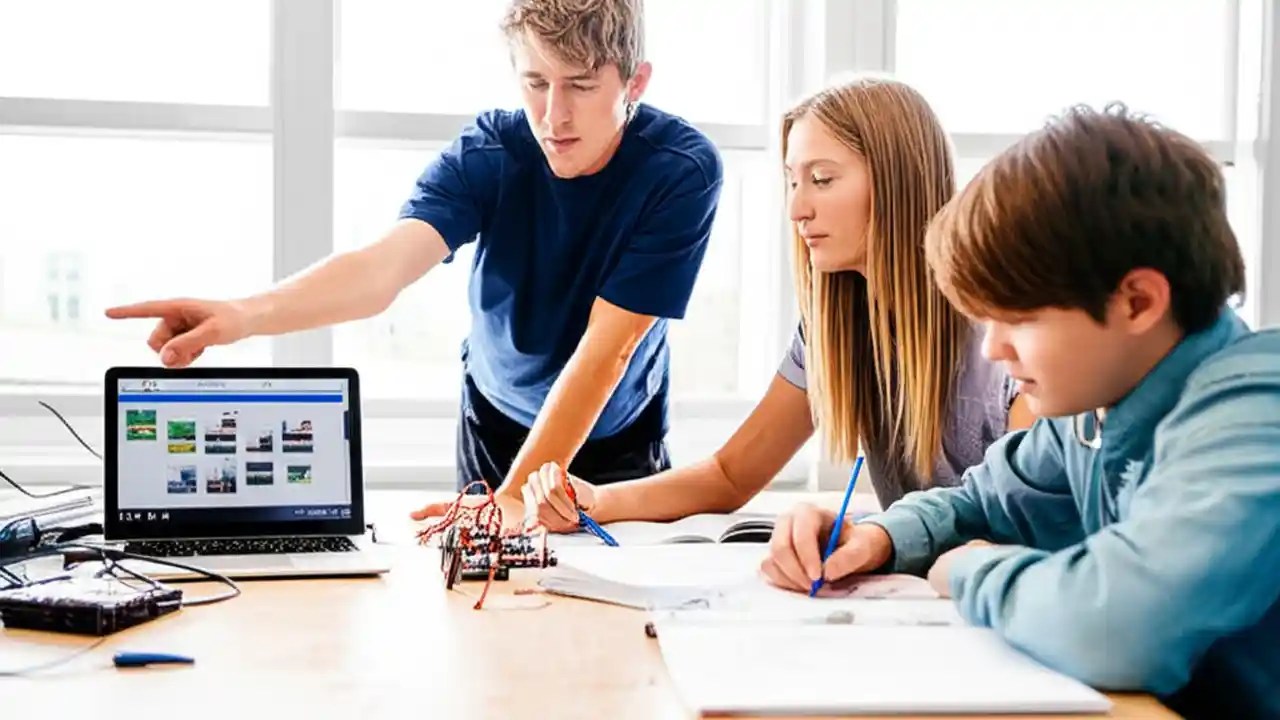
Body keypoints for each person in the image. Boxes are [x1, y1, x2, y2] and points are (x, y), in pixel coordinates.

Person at [105, 0, 724, 525]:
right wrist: (243, 315)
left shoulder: (681, 172)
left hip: (615, 441)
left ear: (635, 83)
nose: (553, 116)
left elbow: (607, 350)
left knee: (607, 632)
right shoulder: (490, 151)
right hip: (494, 424)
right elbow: (381, 271)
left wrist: (516, 498)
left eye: (581, 86)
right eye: (536, 83)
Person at [762, 104, 1280, 719]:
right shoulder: (1094, 406)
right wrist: (875, 537)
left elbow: (1115, 627)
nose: (993, 348)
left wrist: (976, 570)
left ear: (1138, 302)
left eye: (1021, 319)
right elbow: (976, 501)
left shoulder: (1255, 410)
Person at [521, 77, 1033, 532]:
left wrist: (880, 539)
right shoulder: (834, 329)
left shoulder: (1012, 343)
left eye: (822, 179)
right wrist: (597, 500)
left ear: (899, 180)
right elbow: (731, 474)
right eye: (792, 180)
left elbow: (1036, 528)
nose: (796, 208)